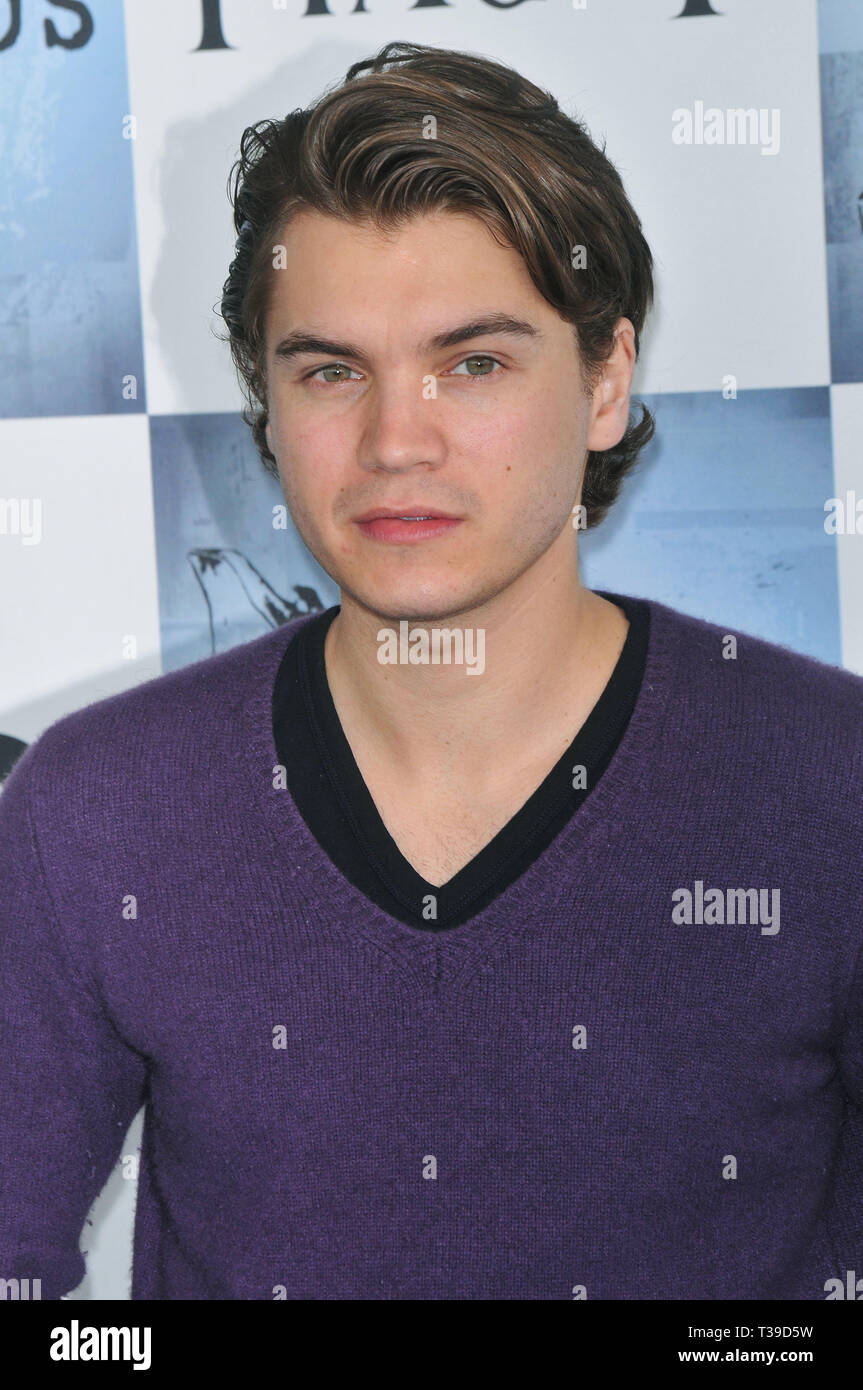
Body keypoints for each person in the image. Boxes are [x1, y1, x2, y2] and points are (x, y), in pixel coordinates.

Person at [1, 40, 861, 1302]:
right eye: (331, 370)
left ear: (606, 379)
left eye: (474, 363)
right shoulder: (98, 810)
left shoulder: (826, 786)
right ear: (266, 402)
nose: (396, 442)